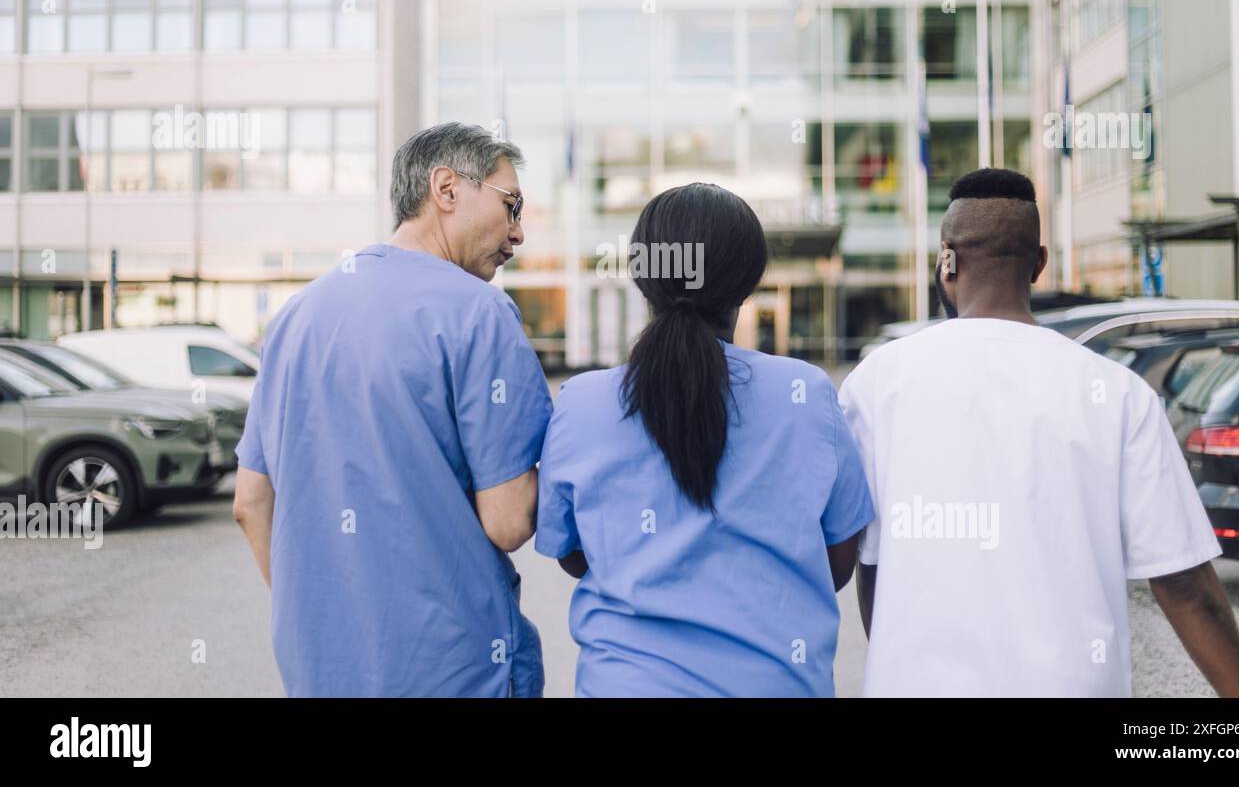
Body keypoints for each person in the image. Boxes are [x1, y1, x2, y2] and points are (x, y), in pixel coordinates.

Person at [839, 167, 1239, 697]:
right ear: (1039, 264)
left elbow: (867, 560)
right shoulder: (1119, 393)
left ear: (947, 261)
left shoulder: (875, 384)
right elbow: (1183, 584)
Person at [232, 122, 553, 697]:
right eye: (511, 206)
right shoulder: (479, 314)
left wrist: (316, 625)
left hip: (321, 670)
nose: (519, 232)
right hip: (455, 667)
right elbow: (508, 522)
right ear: (447, 189)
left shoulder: (296, 316)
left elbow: (251, 502)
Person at [535, 183, 873, 697]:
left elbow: (571, 551)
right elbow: (838, 560)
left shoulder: (581, 403)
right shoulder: (805, 394)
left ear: (641, 274)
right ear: (749, 282)